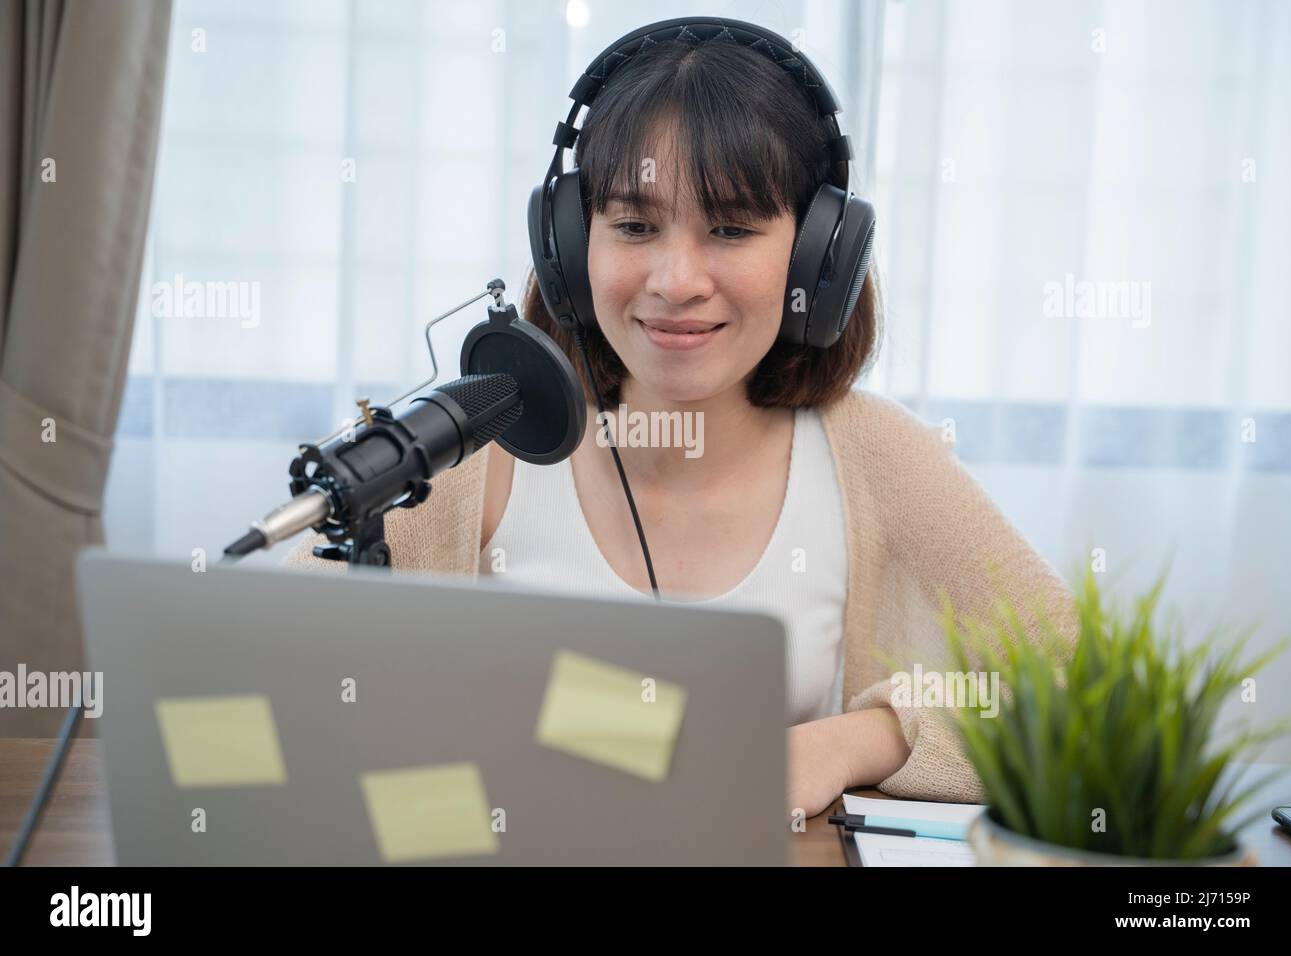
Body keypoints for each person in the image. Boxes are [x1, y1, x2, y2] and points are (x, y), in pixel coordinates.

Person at [283, 26, 1077, 817]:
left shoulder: (873, 455)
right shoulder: (470, 450)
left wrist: (852, 741)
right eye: (634, 226)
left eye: (731, 229)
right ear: (568, 244)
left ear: (817, 258)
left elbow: (1082, 691)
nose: (676, 281)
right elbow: (285, 684)